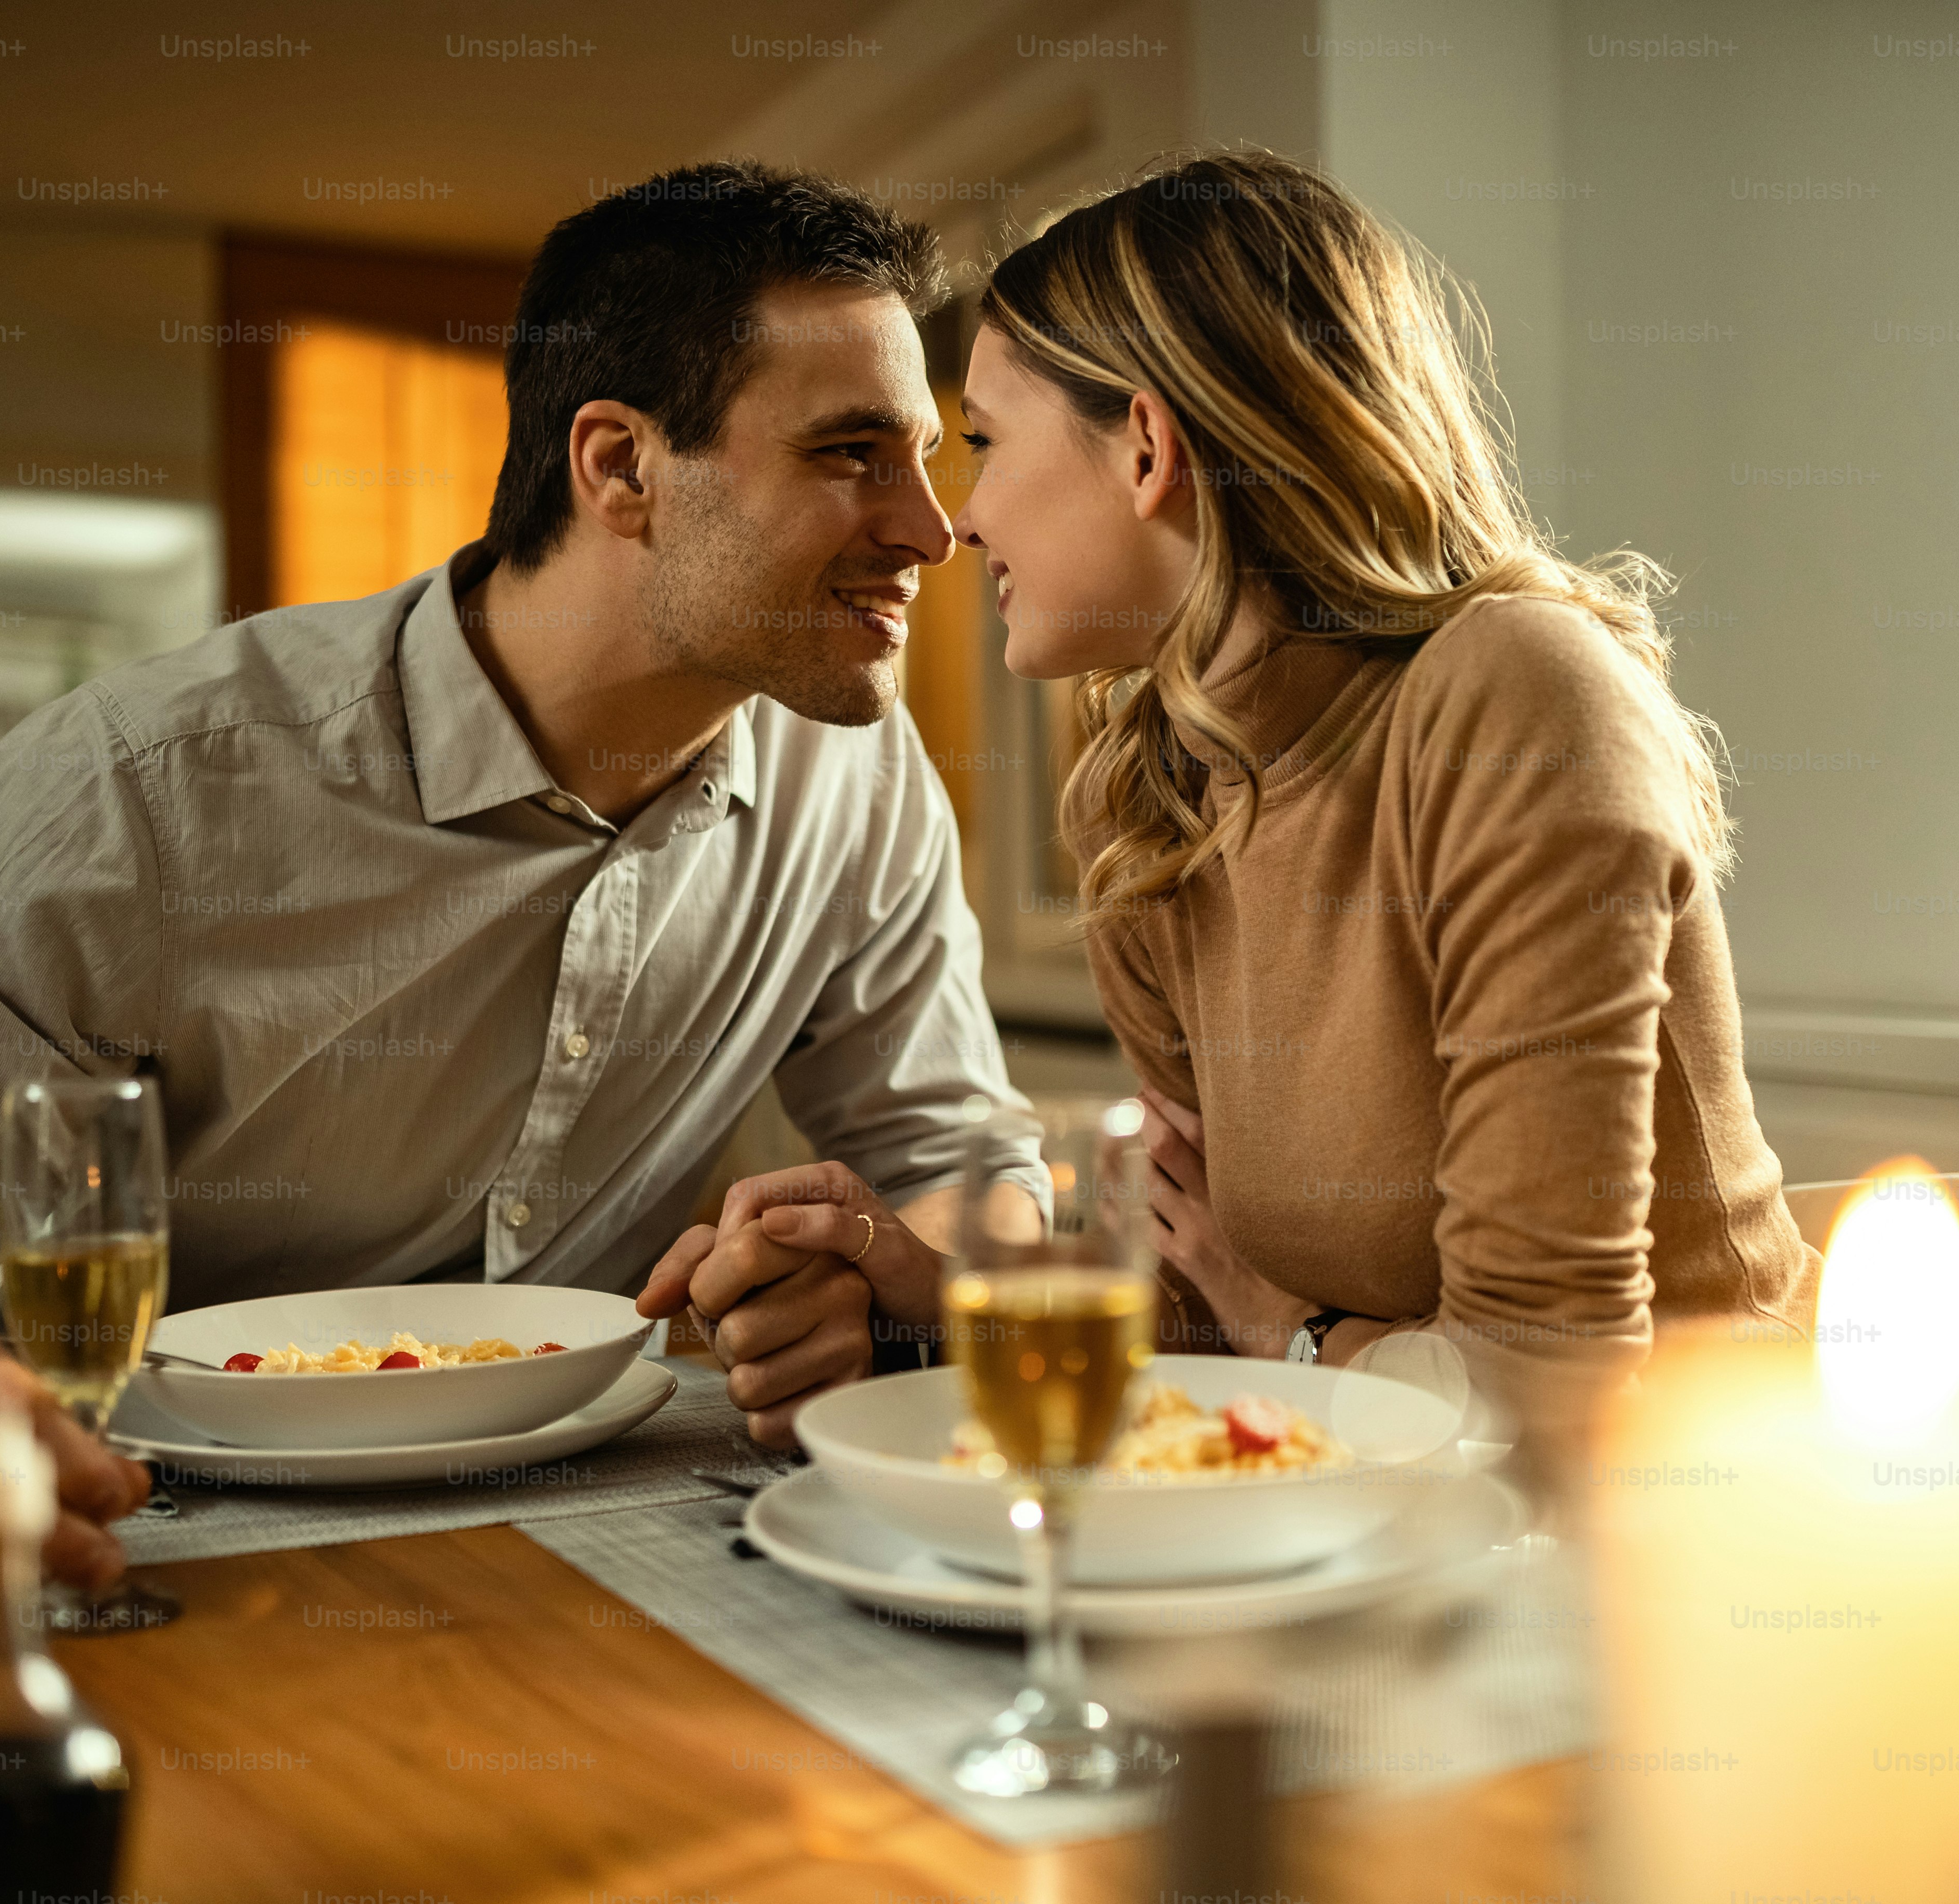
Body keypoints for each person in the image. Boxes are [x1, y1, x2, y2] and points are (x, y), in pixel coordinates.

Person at [0, 161, 1044, 1610]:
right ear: (621, 466)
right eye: (852, 456)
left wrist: (877, 1269)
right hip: (151, 1548)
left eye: (930, 461)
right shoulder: (136, 792)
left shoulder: (861, 789)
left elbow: (966, 1175)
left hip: (614, 1545)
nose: (931, 531)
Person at [708, 150, 1819, 1467]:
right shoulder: (1151, 803)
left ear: (1146, 448)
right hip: (1348, 1510)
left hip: (1676, 1539)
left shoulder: (1511, 699)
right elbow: (1199, 1293)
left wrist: (1292, 1332)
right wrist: (926, 1294)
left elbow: (1540, 1407)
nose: (962, 526)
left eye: (990, 447)